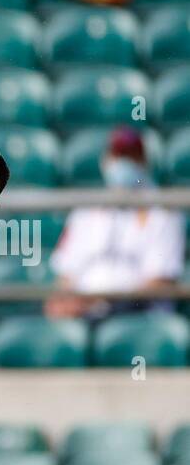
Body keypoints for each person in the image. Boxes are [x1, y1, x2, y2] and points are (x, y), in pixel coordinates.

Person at [46, 127, 185, 320]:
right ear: (106, 161)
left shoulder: (163, 213)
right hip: (84, 313)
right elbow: (65, 274)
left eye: (132, 157)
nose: (123, 164)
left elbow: (159, 281)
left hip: (137, 314)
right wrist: (65, 303)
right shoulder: (85, 211)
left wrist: (100, 301)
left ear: (144, 163)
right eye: (119, 156)